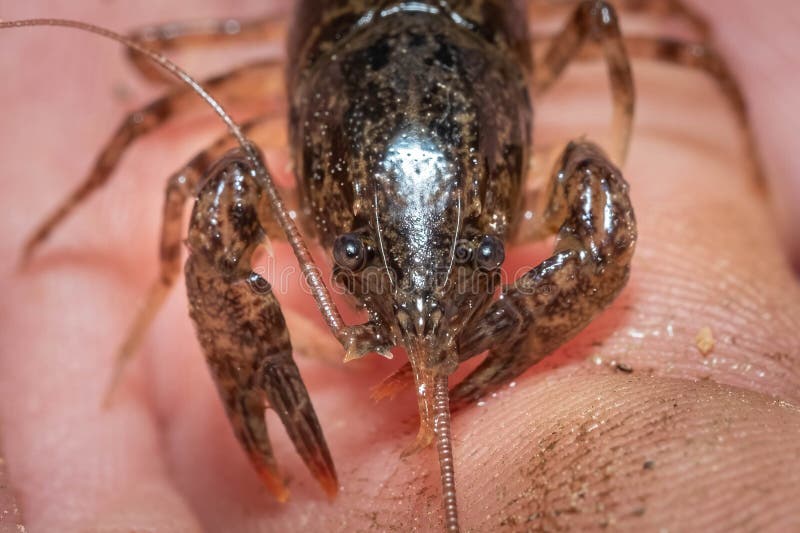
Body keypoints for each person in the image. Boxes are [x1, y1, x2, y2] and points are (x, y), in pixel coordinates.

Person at [0, 1, 798, 530]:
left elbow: (602, 220)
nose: (422, 314)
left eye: (486, 249)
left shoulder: (538, 152)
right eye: (351, 254)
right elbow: (209, 200)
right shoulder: (278, 172)